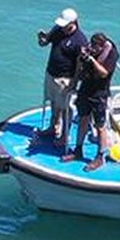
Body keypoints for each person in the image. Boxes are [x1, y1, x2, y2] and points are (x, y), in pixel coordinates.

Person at [63, 31, 120, 171]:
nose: (93, 48)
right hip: (85, 91)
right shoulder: (89, 50)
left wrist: (92, 60)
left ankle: (100, 157)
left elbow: (104, 73)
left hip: (99, 94)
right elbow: (79, 69)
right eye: (92, 45)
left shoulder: (111, 54)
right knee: (83, 119)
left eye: (96, 47)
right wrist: (73, 85)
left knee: (100, 127)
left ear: (102, 47)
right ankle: (78, 150)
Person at [36, 8, 87, 149]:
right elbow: (44, 42)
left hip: (66, 79)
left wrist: (73, 84)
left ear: (73, 23)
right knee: (53, 103)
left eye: (65, 25)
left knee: (65, 109)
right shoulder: (58, 30)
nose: (62, 27)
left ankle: (65, 136)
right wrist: (41, 38)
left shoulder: (80, 40)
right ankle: (54, 127)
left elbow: (79, 65)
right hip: (51, 74)